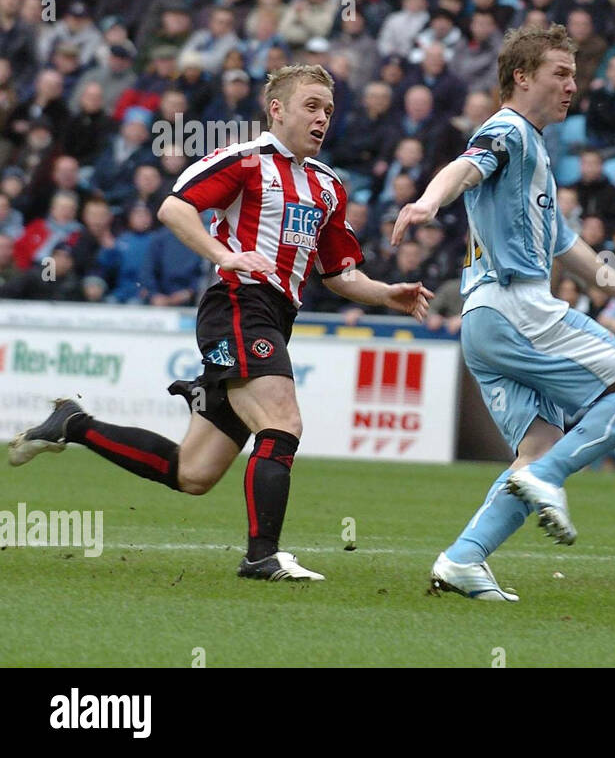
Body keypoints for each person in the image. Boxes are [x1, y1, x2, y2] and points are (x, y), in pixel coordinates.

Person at [8, 64, 434, 582]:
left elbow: (338, 274)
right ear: (277, 110)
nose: (322, 118)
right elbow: (174, 209)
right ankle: (261, 556)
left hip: (276, 316)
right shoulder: (246, 160)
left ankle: (72, 424)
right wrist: (222, 254)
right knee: (282, 422)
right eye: (311, 106)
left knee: (192, 473)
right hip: (237, 303)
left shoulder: (328, 186)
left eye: (328, 109)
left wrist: (386, 293)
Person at [391, 24, 615, 601]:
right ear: (521, 76)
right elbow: (467, 165)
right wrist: (429, 201)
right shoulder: (509, 130)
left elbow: (566, 243)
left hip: (484, 320)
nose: (572, 86)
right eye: (559, 74)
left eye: (573, 75)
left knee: (538, 445)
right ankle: (549, 477)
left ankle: (463, 559)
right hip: (519, 306)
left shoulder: (534, 148)